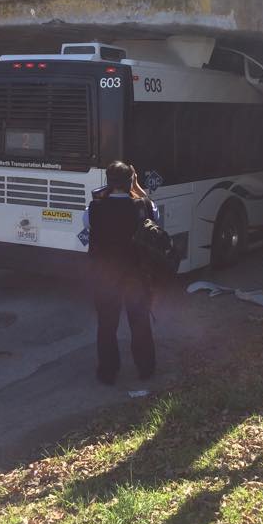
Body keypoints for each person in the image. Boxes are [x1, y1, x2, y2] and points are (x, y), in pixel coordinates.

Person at [84, 161, 159, 385]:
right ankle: (145, 368)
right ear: (130, 181)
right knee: (139, 321)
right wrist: (137, 188)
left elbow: (88, 226)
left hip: (105, 275)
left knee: (107, 324)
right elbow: (155, 219)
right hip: (135, 273)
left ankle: (108, 372)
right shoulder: (142, 206)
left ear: (108, 181)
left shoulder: (94, 208)